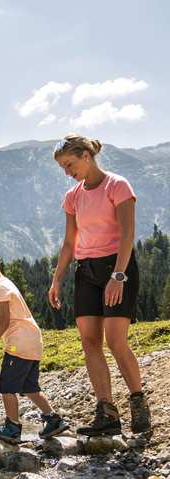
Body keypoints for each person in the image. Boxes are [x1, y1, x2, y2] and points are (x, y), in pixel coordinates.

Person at [49, 134, 151, 437]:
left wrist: (118, 276)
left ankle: (138, 402)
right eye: (63, 167)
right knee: (89, 342)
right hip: (86, 271)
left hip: (117, 267)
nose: (67, 172)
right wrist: (57, 278)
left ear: (86, 156)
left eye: (69, 164)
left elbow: (127, 234)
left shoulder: (117, 185)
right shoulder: (72, 196)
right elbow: (70, 242)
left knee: (116, 341)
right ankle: (107, 413)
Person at [0, 241, 69, 443]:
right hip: (32, 340)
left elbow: (5, 324)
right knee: (29, 386)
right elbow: (10, 316)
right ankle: (53, 420)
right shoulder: (6, 284)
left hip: (19, 342)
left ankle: (12, 427)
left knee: (7, 385)